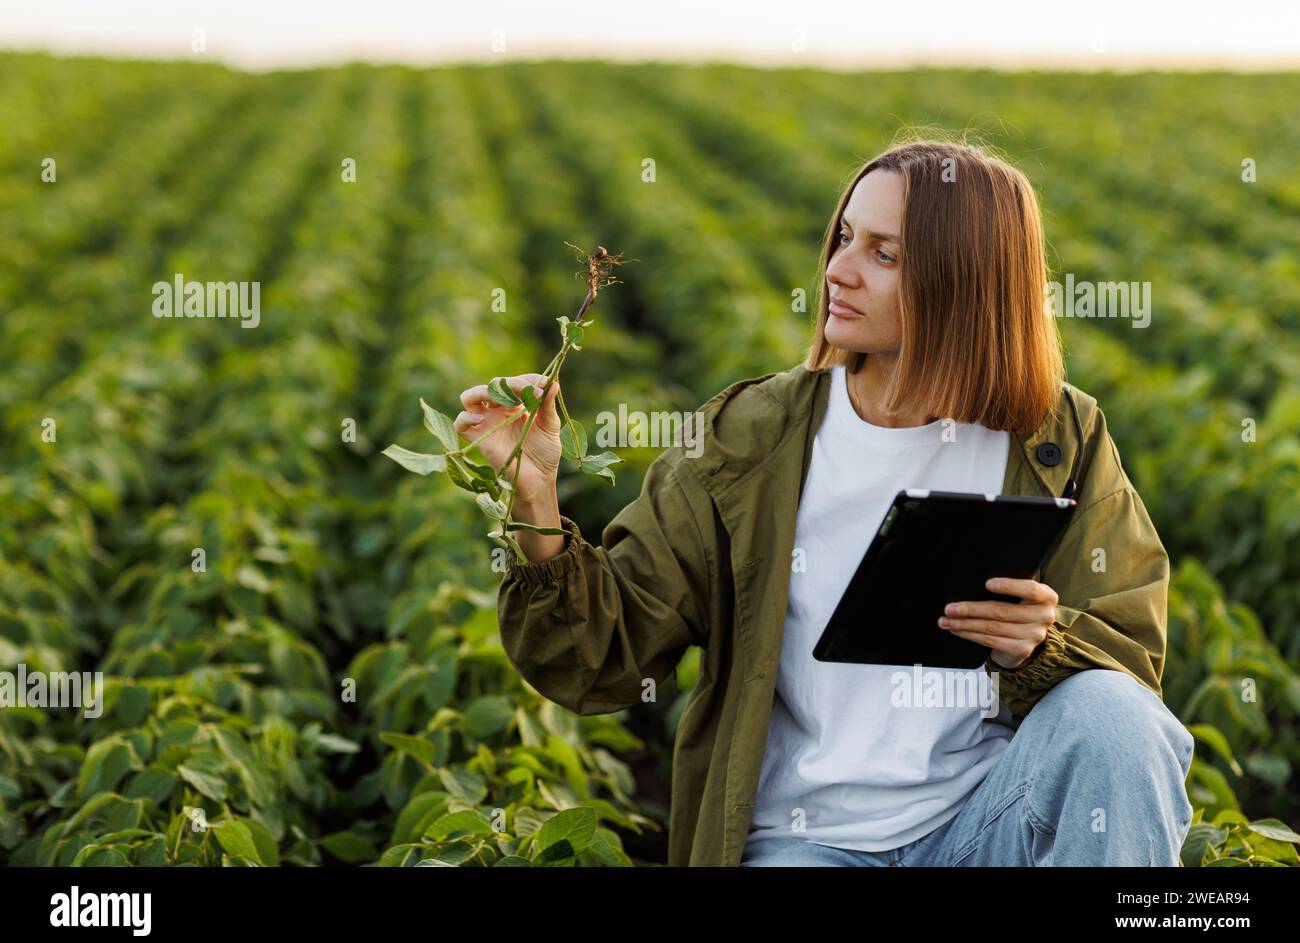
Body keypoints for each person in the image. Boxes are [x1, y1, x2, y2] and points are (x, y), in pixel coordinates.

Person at [455, 138, 1195, 867]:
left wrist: (1042, 643)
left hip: (983, 827)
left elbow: (1128, 648)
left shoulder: (1055, 436)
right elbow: (603, 660)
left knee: (1117, 719)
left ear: (967, 280)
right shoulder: (748, 438)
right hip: (810, 840)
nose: (837, 270)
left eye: (883, 253)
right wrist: (536, 498)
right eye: (844, 237)